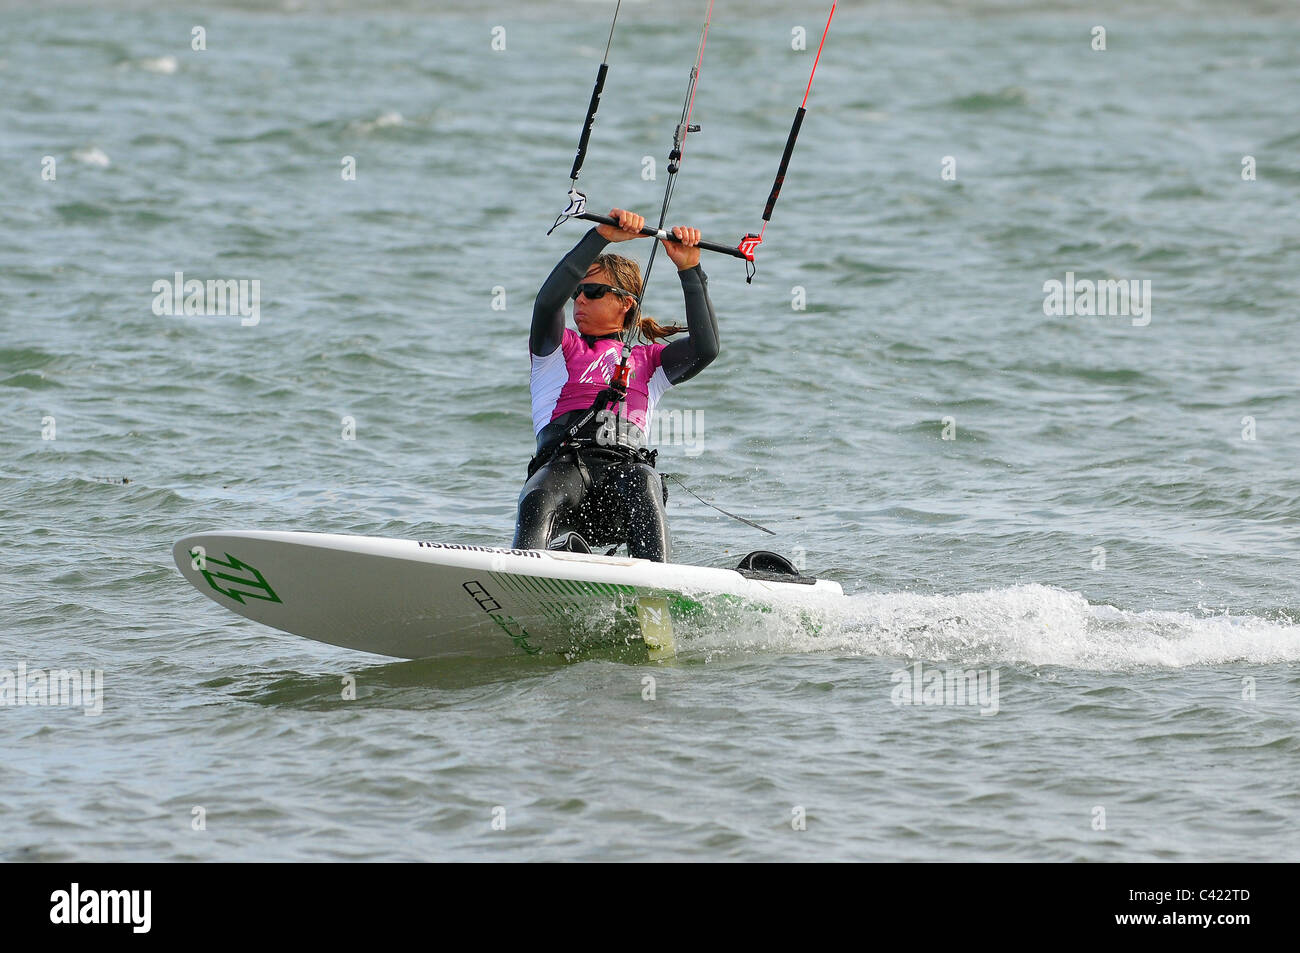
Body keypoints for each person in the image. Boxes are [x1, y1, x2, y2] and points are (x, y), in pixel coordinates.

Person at [512, 208, 719, 562]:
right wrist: (600, 237)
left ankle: (654, 592)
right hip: (565, 474)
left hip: (623, 482)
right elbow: (548, 302)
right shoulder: (557, 349)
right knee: (538, 493)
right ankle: (522, 577)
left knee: (645, 480)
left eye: (592, 291)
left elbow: (706, 349)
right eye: (578, 291)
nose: (579, 299)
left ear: (626, 303)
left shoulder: (651, 362)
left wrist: (689, 269)